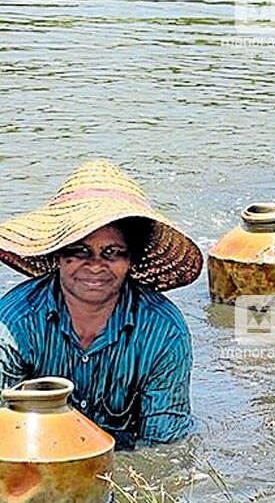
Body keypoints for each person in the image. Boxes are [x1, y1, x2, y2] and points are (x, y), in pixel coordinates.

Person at [0, 160, 202, 447]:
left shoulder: (163, 332)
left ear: (132, 260)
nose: (95, 266)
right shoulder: (14, 322)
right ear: (57, 256)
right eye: (79, 251)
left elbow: (162, 446)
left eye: (112, 253)